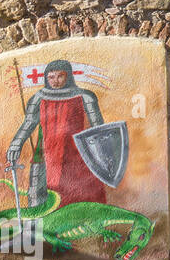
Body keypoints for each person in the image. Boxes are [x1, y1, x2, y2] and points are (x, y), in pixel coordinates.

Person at [6, 60, 107, 206]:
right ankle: (39, 226)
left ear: (68, 77)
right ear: (46, 78)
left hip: (77, 153)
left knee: (81, 192)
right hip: (44, 152)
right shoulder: (38, 98)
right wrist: (16, 145)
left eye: (60, 76)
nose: (56, 81)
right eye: (51, 77)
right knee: (39, 194)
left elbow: (98, 128)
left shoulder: (85, 97)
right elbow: (28, 124)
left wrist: (102, 151)